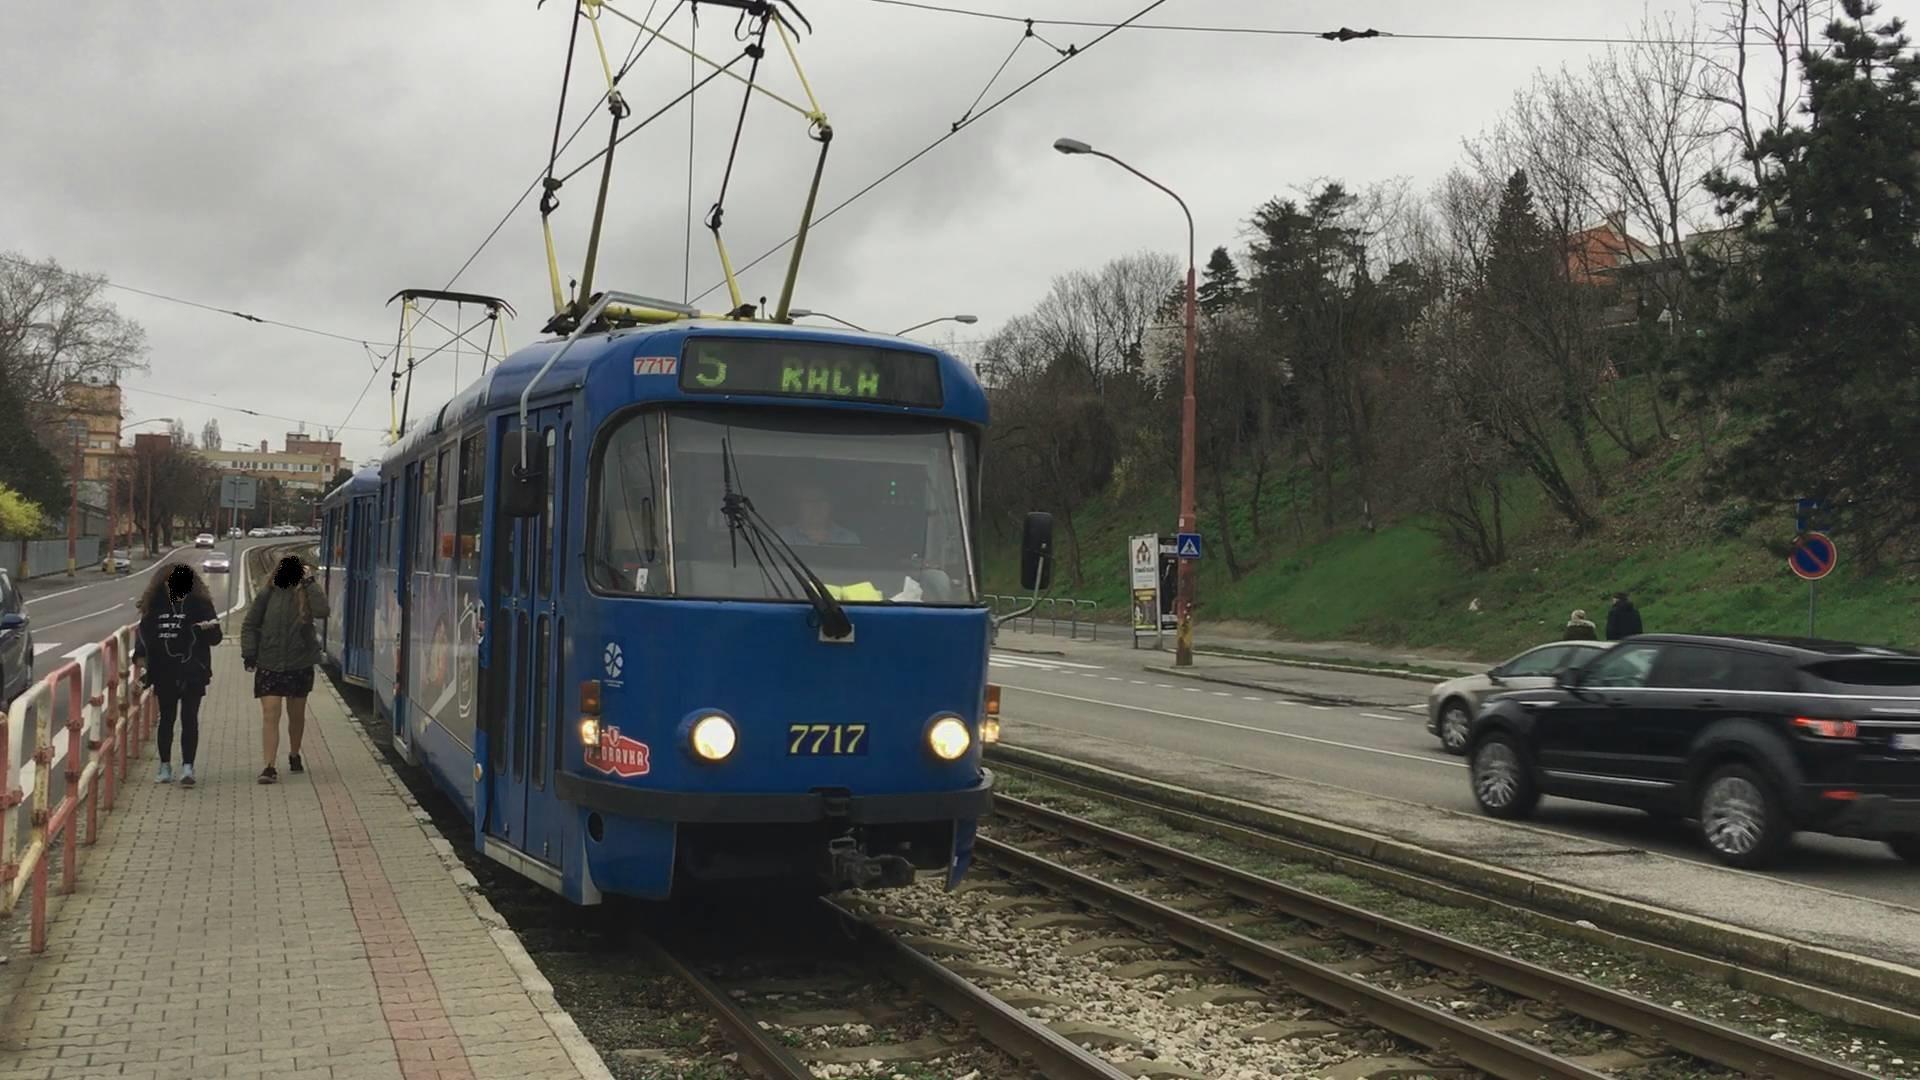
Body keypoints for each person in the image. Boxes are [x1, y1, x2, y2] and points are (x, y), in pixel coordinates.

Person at [132, 564, 221, 788]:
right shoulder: (155, 607)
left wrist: (205, 629)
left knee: (189, 718)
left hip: (193, 670)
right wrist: (141, 662)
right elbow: (144, 636)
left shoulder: (200, 605)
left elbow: (216, 637)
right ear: (163, 584)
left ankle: (188, 767)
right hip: (164, 671)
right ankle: (164, 766)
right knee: (167, 719)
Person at [242, 554, 329, 784]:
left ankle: (294, 753)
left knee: (296, 714)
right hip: (269, 663)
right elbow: (249, 625)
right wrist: (249, 653)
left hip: (298, 663)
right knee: (271, 713)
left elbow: (323, 611)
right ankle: (269, 766)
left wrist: (310, 583)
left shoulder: (306, 594)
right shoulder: (267, 594)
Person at [779, 483, 860, 546]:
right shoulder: (782, 538)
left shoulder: (848, 539)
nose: (816, 506)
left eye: (821, 500)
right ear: (799, 506)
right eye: (810, 501)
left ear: (830, 506)